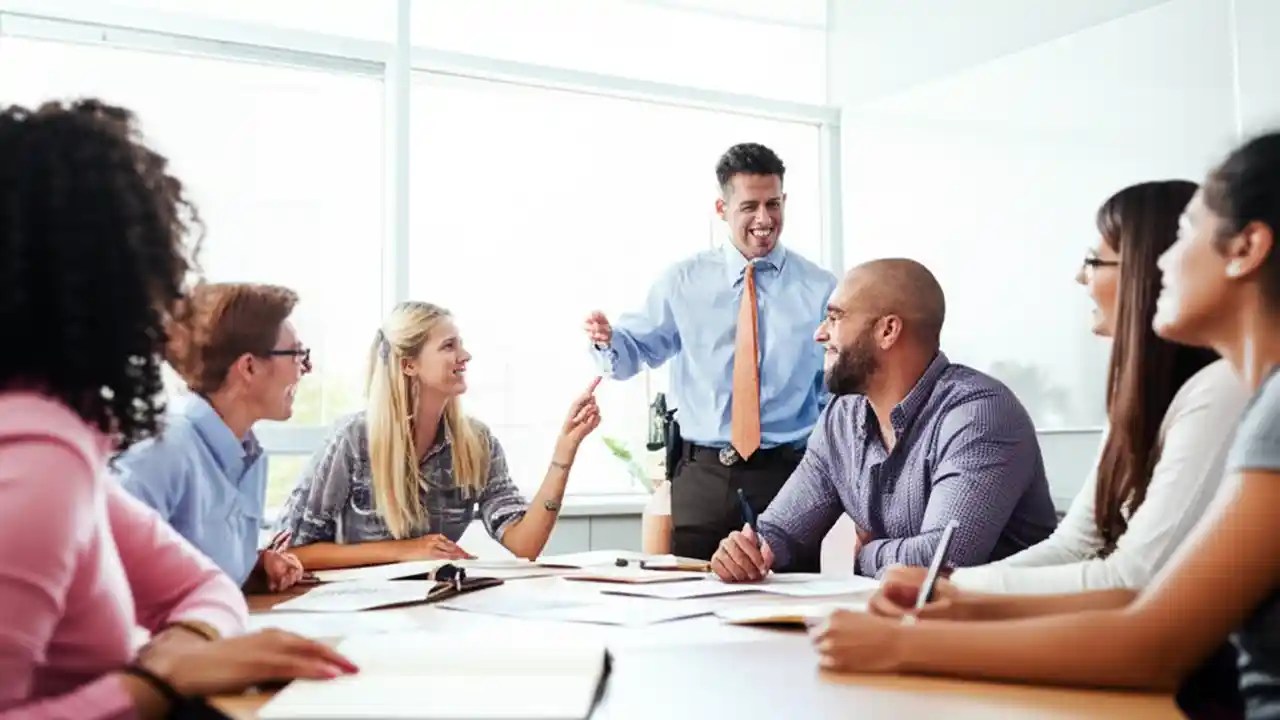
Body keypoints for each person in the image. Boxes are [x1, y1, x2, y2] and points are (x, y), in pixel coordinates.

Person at [810, 131, 1280, 720]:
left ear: (1246, 248)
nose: (1158, 263)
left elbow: (1145, 617)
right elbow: (1096, 561)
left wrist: (914, 640)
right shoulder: (1213, 399)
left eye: (1183, 236)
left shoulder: (1243, 399)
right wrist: (957, 600)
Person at [0, 99, 354, 719]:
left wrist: (185, 649)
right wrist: (154, 685)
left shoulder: (64, 445)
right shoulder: (37, 456)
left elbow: (204, 585)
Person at [948, 180, 1249, 594]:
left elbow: (1134, 579)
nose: (1079, 277)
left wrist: (950, 592)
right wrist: (950, 587)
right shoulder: (1140, 399)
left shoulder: (1223, 391)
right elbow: (1076, 546)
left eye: (1093, 261)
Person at [710, 258, 1058, 582]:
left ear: (888, 330)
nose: (820, 334)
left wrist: (868, 555)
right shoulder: (841, 418)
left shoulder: (979, 415)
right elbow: (779, 534)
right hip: (905, 630)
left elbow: (944, 562)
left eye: (835, 317)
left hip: (998, 636)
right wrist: (746, 553)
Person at [583, 142, 837, 563]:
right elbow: (632, 355)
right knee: (694, 603)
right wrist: (608, 341)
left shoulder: (821, 288)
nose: (764, 219)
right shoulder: (683, 282)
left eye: (773, 204)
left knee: (790, 611)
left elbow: (834, 390)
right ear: (722, 208)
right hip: (704, 473)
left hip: (790, 477)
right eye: (749, 206)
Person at [277, 301, 601, 567]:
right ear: (408, 365)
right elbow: (289, 551)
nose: (465, 356)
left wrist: (564, 451)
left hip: (435, 610)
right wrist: (405, 550)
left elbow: (525, 544)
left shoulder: (476, 443)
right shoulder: (353, 440)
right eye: (449, 346)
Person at [115, 282, 311, 593]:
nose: (304, 369)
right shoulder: (161, 450)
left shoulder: (249, 457)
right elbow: (108, 574)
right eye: (296, 355)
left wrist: (252, 568)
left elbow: (187, 564)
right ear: (248, 367)